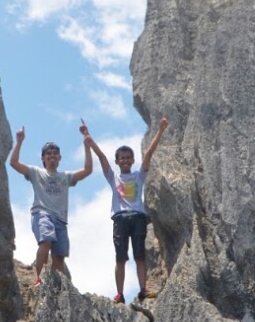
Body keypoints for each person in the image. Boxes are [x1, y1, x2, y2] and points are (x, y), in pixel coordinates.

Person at [85, 116, 168, 302]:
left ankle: (143, 290)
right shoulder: (113, 178)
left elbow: (149, 154)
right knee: (120, 257)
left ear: (132, 160)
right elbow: (102, 158)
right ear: (117, 161)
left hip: (138, 217)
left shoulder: (139, 176)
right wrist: (89, 139)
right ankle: (120, 294)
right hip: (120, 218)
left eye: (128, 158)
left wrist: (161, 130)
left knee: (140, 255)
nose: (125, 161)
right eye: (121, 158)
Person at [10, 123, 93, 284]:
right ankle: (38, 277)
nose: (52, 156)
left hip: (61, 219)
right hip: (42, 213)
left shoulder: (65, 177)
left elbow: (88, 170)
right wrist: (19, 141)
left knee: (59, 256)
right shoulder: (36, 173)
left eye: (55, 153)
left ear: (60, 158)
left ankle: (58, 285)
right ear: (43, 158)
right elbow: (14, 163)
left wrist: (87, 144)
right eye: (48, 154)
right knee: (46, 241)